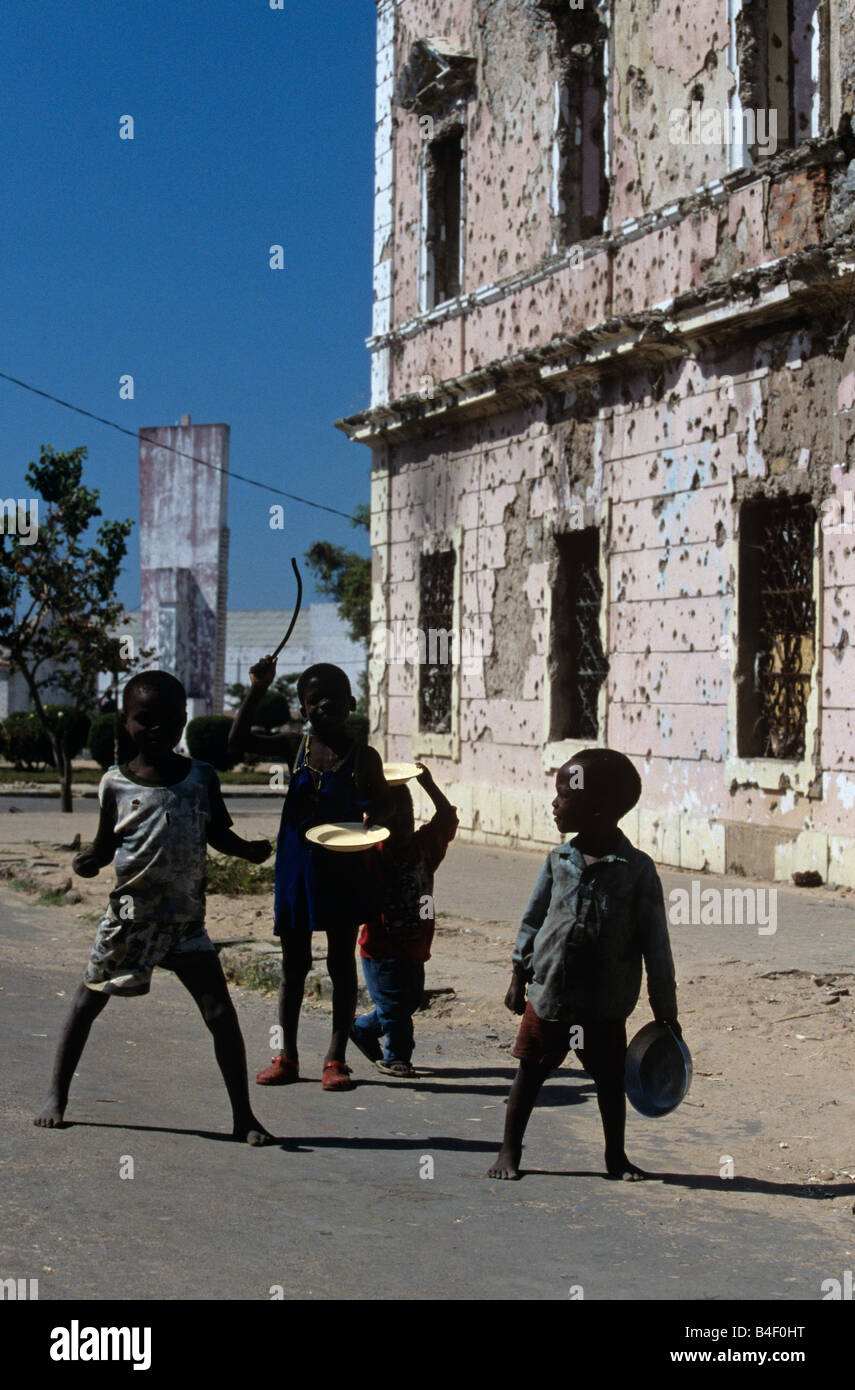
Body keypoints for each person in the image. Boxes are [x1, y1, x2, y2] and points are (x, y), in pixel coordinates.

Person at [34, 671, 273, 1145]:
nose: (157, 728)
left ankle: (244, 1116)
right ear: (126, 723)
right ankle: (56, 1095)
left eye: (167, 719)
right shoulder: (114, 785)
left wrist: (246, 851)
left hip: (186, 923)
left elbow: (217, 832)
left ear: (184, 719)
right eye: (145, 719)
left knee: (221, 1015)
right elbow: (105, 847)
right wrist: (87, 862)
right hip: (129, 922)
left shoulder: (202, 777)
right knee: (86, 1003)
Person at [486, 748, 680, 1182]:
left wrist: (665, 1011)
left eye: (563, 795)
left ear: (597, 808)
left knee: (610, 1082)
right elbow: (533, 920)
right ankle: (509, 1150)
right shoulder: (558, 861)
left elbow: (657, 947)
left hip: (604, 1005)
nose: (554, 803)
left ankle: (615, 1157)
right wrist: (519, 973)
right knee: (529, 1075)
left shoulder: (637, 871)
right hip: (550, 994)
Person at [228, 658, 390, 1091]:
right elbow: (237, 740)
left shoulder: (364, 757)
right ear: (302, 710)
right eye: (313, 700)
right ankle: (286, 1055)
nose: (324, 706)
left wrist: (372, 819)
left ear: (351, 704)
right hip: (297, 869)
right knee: (293, 966)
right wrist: (257, 689)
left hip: (344, 869)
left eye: (334, 698)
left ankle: (335, 1058)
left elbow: (386, 806)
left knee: (340, 962)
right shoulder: (293, 747)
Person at [350, 763, 458, 1077]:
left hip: (415, 944)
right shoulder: (371, 852)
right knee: (396, 1008)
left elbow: (446, 816)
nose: (402, 823)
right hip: (381, 947)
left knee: (407, 1002)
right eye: (393, 818)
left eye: (407, 814)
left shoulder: (424, 847)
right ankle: (397, 1055)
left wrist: (429, 783)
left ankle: (359, 1029)